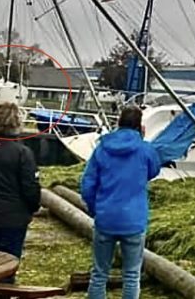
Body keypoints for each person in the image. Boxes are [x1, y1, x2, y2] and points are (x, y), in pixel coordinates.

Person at [81, 106, 161, 299]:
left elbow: (87, 184)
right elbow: (154, 170)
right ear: (140, 126)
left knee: (99, 274)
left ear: (118, 122)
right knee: (132, 275)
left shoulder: (102, 148)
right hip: (134, 219)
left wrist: (94, 209)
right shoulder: (145, 149)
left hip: (106, 217)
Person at [0, 102, 40, 283]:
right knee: (8, 267)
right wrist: (33, 208)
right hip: (14, 218)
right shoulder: (22, 153)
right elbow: (30, 187)